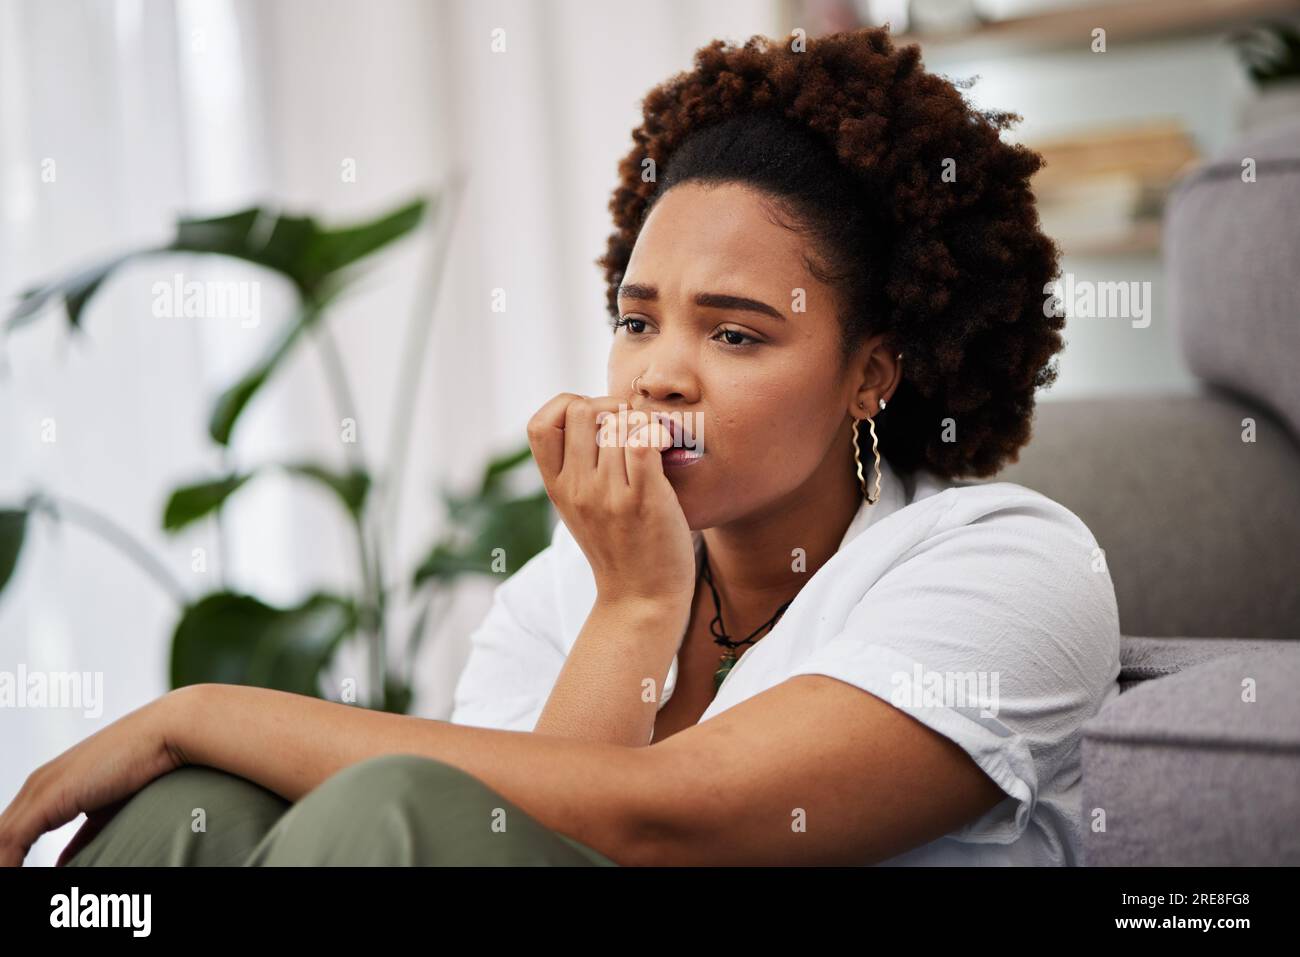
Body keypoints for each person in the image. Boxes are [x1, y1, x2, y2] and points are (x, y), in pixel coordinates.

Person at [0, 25, 1119, 868]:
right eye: (637, 320)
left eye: (734, 332)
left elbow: (655, 823)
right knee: (191, 813)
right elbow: (520, 846)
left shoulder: (1005, 562)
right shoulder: (553, 595)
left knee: (381, 809)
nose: (658, 371)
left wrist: (192, 708)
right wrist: (620, 608)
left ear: (870, 372)